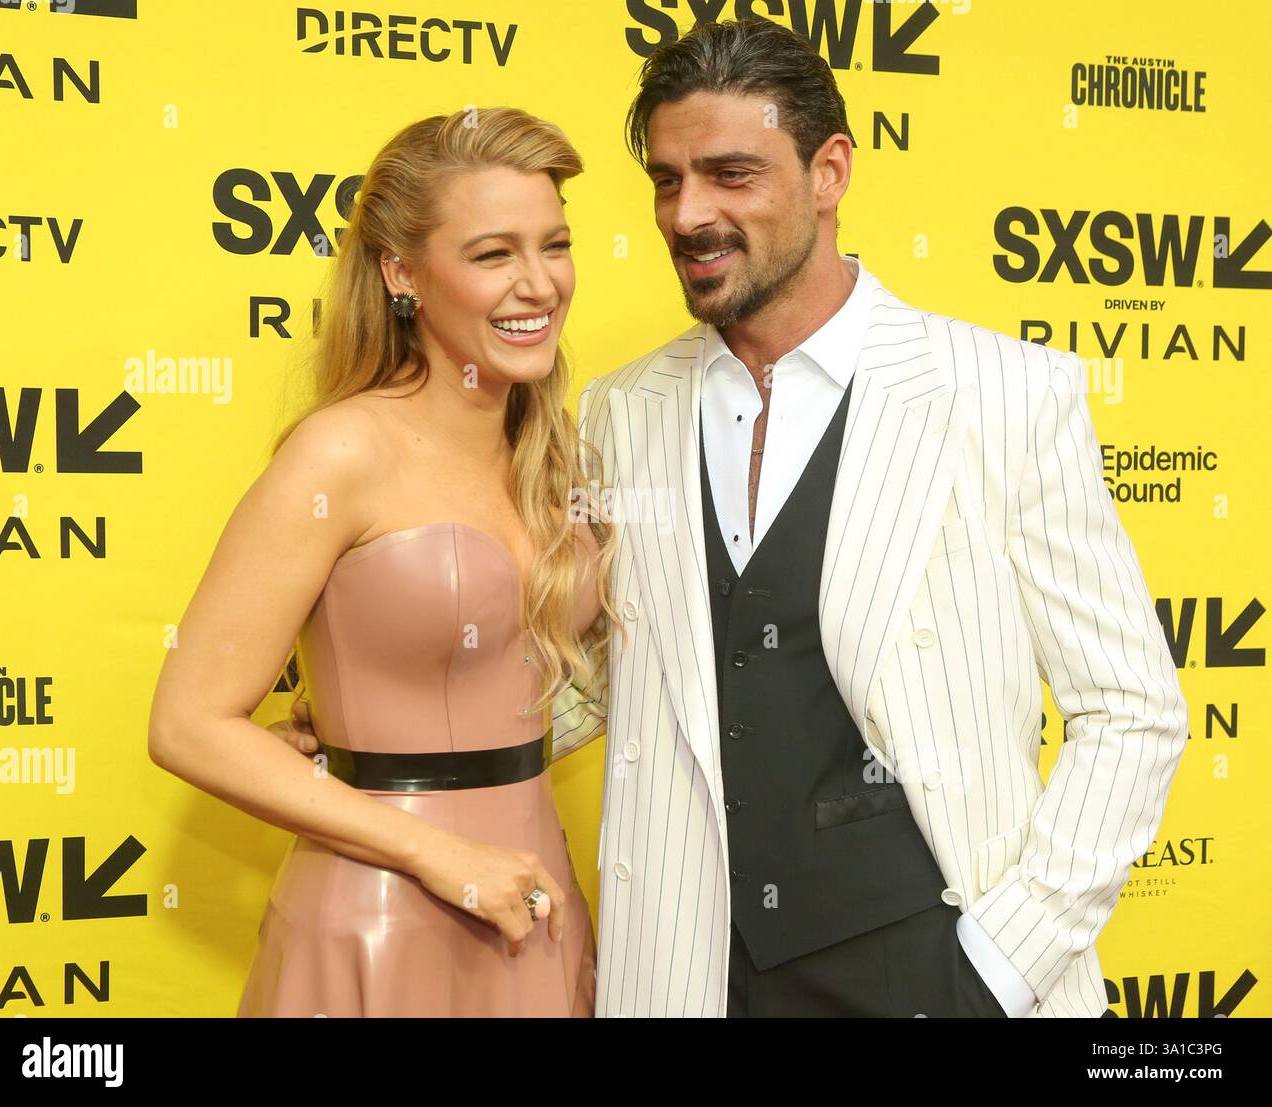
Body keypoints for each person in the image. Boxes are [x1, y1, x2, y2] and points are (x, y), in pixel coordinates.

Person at [280, 18, 1189, 1019]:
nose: (688, 214)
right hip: (690, 969)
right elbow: (630, 674)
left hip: (941, 965)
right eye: (667, 181)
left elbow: (1130, 709)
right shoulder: (623, 411)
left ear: (828, 170)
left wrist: (1003, 962)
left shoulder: (1004, 394)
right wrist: (406, 747)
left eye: (730, 174)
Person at [147, 106, 619, 1017]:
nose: (538, 284)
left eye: (553, 245)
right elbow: (187, 722)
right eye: (492, 255)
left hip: (535, 901)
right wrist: (434, 850)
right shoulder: (341, 454)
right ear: (402, 273)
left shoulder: (556, 450)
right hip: (374, 917)